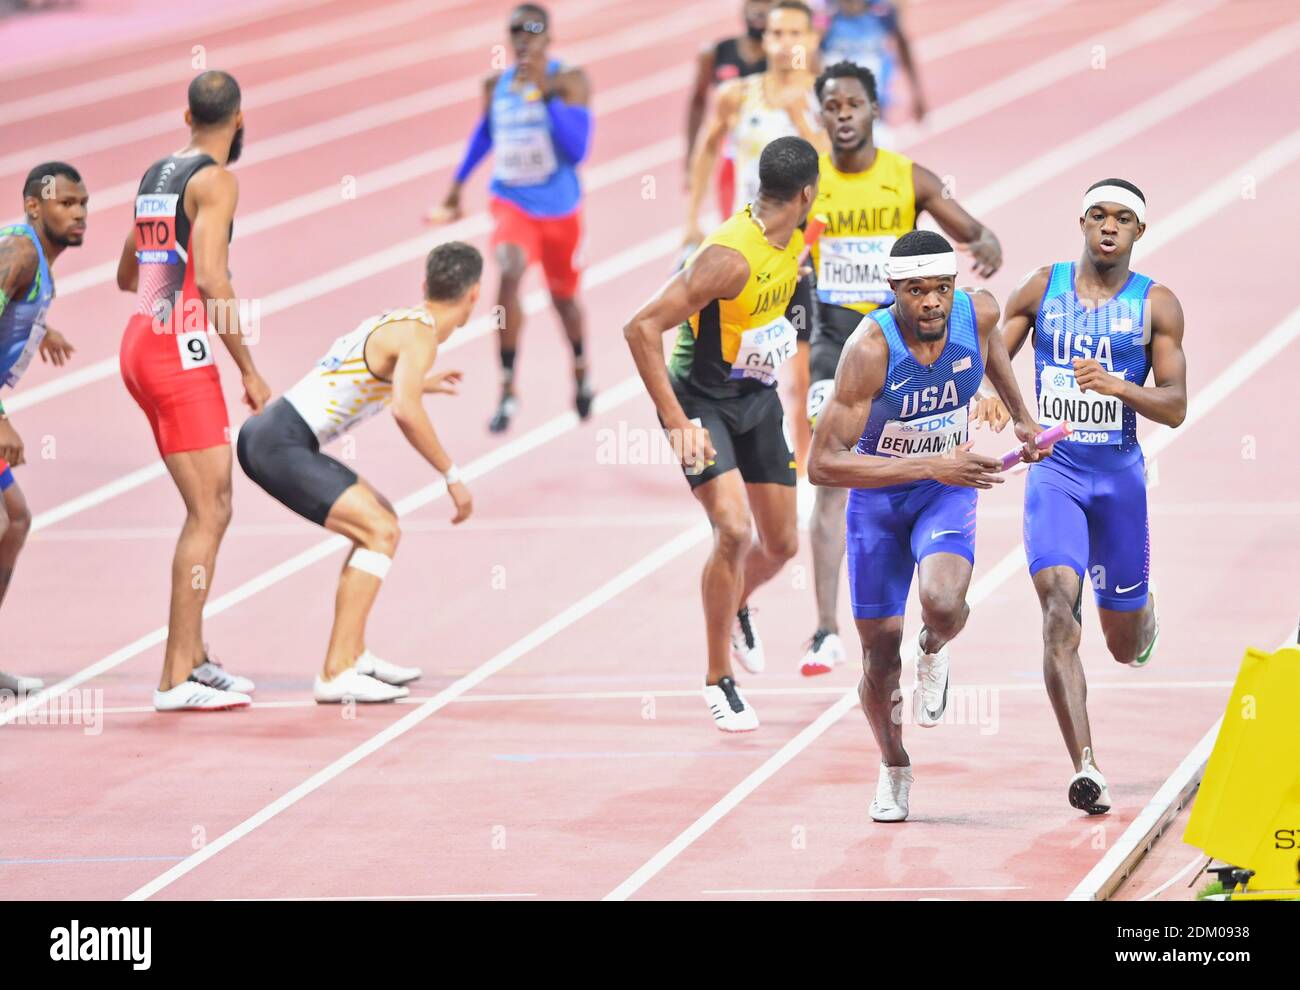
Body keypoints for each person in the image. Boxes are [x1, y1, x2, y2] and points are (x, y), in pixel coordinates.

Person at [807, 230, 1045, 822]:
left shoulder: (979, 311)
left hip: (945, 491)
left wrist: (1021, 417)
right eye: (918, 291)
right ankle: (893, 765)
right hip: (879, 506)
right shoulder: (869, 350)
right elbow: (821, 464)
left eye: (942, 288)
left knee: (942, 602)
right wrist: (931, 462)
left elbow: (991, 350)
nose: (933, 302)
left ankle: (935, 645)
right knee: (879, 658)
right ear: (894, 291)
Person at [799, 60, 1001, 676]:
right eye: (831, 107)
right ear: (821, 115)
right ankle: (826, 629)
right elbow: (775, 249)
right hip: (839, 346)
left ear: (872, 109)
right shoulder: (809, 185)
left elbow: (974, 232)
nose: (842, 116)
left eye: (853, 104)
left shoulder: (905, 178)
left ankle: (920, 615)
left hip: (910, 344)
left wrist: (981, 243)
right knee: (834, 471)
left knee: (898, 451)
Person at [1000, 179, 1186, 814]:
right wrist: (1002, 405)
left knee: (1123, 644)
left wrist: (1116, 386)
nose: (1110, 227)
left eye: (1124, 219)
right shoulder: (1039, 287)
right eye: (1100, 215)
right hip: (1056, 475)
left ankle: (1143, 612)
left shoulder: (1156, 304)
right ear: (1081, 221)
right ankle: (1086, 766)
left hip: (1118, 482)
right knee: (1058, 609)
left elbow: (1177, 407)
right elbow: (992, 356)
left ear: (1139, 232)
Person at [625, 136, 819, 732]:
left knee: (783, 544)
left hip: (755, 400)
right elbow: (639, 328)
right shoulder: (728, 257)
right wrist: (677, 423)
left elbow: (793, 305)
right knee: (733, 529)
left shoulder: (804, 237)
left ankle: (736, 602)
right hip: (701, 401)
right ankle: (718, 679)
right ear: (806, 193)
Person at [238, 243, 480, 703]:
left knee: (381, 520)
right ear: (474, 295)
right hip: (278, 444)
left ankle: (354, 653)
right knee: (379, 530)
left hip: (275, 435)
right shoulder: (420, 338)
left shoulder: (405, 324)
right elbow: (405, 412)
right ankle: (335, 673)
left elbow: (378, 378)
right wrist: (452, 475)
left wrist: (422, 382)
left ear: (426, 286)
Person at [116, 70, 272, 712]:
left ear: (186, 115)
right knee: (210, 511)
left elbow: (130, 273)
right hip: (178, 349)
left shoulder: (158, 175)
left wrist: (166, 299)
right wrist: (250, 369)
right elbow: (210, 280)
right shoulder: (217, 180)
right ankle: (176, 676)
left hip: (142, 341)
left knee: (210, 507)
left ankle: (196, 659)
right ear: (239, 119)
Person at [428, 3, 593, 434]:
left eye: (534, 30)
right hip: (511, 202)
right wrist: (456, 184)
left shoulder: (569, 81)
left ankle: (579, 366)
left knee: (564, 300)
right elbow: (485, 135)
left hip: (560, 210)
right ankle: (506, 386)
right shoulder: (495, 85)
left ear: (549, 37)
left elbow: (578, 151)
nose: (524, 38)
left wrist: (543, 93)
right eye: (517, 30)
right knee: (508, 269)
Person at [685, 0, 828, 478]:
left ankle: (804, 466)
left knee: (802, 372)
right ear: (764, 40)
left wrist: (801, 117)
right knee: (733, 364)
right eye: (777, 33)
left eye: (795, 34)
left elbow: (832, 169)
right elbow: (707, 147)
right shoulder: (735, 94)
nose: (786, 43)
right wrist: (692, 217)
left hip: (800, 254)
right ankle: (734, 460)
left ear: (811, 41)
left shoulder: (824, 99)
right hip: (743, 251)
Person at [0, 162, 84, 696]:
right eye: (65, 204)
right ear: (34, 206)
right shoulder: (22, 250)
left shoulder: (34, 261)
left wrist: (38, 325)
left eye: (82, 205)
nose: (78, 214)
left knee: (15, 521)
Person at [685, 0, 772, 217]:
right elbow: (697, 103)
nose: (759, 11)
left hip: (772, 153)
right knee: (733, 225)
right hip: (733, 155)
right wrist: (689, 157)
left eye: (767, 4)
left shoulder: (783, 59)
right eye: (754, 4)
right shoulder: (717, 52)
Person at [819, 0, 925, 148]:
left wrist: (917, 93)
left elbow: (903, 46)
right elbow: (801, 50)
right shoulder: (824, 16)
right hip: (835, 118)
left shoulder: (883, 12)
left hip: (875, 115)